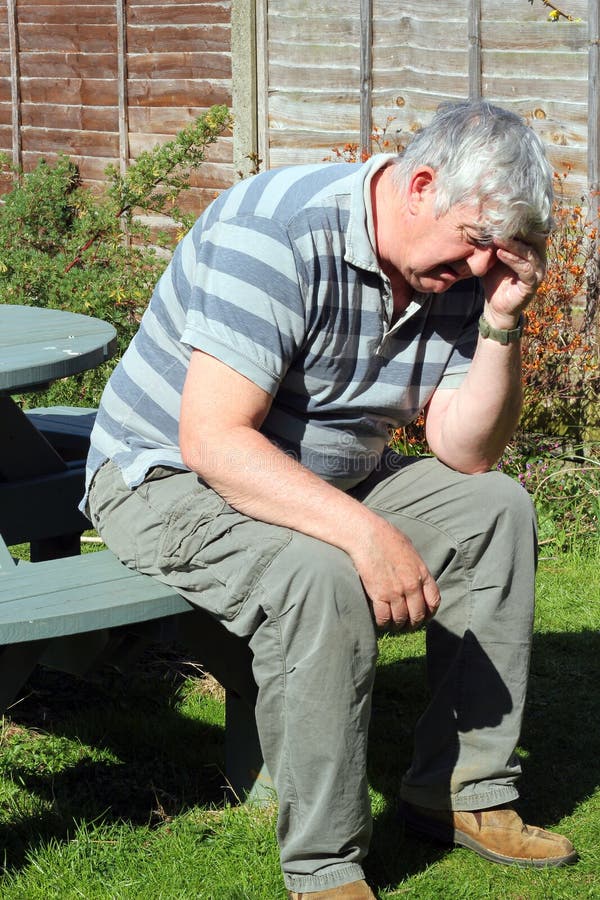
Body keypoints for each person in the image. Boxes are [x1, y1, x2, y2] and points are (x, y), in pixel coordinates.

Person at [83, 100, 578, 898]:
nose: (483, 266)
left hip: (324, 474)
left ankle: (461, 791)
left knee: (498, 509)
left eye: (502, 255)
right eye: (478, 244)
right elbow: (214, 441)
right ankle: (325, 865)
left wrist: (501, 323)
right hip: (167, 477)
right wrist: (365, 536)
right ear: (420, 185)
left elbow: (467, 450)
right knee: (322, 572)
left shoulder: (453, 271)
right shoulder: (276, 230)